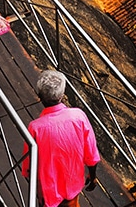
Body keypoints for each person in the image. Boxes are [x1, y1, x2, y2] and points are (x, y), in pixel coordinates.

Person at [23, 70, 100, 207]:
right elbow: (91, 155)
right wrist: (93, 176)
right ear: (63, 95)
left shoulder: (35, 128)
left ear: (39, 96)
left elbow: (29, 165)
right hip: (73, 184)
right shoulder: (78, 117)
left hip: (48, 192)